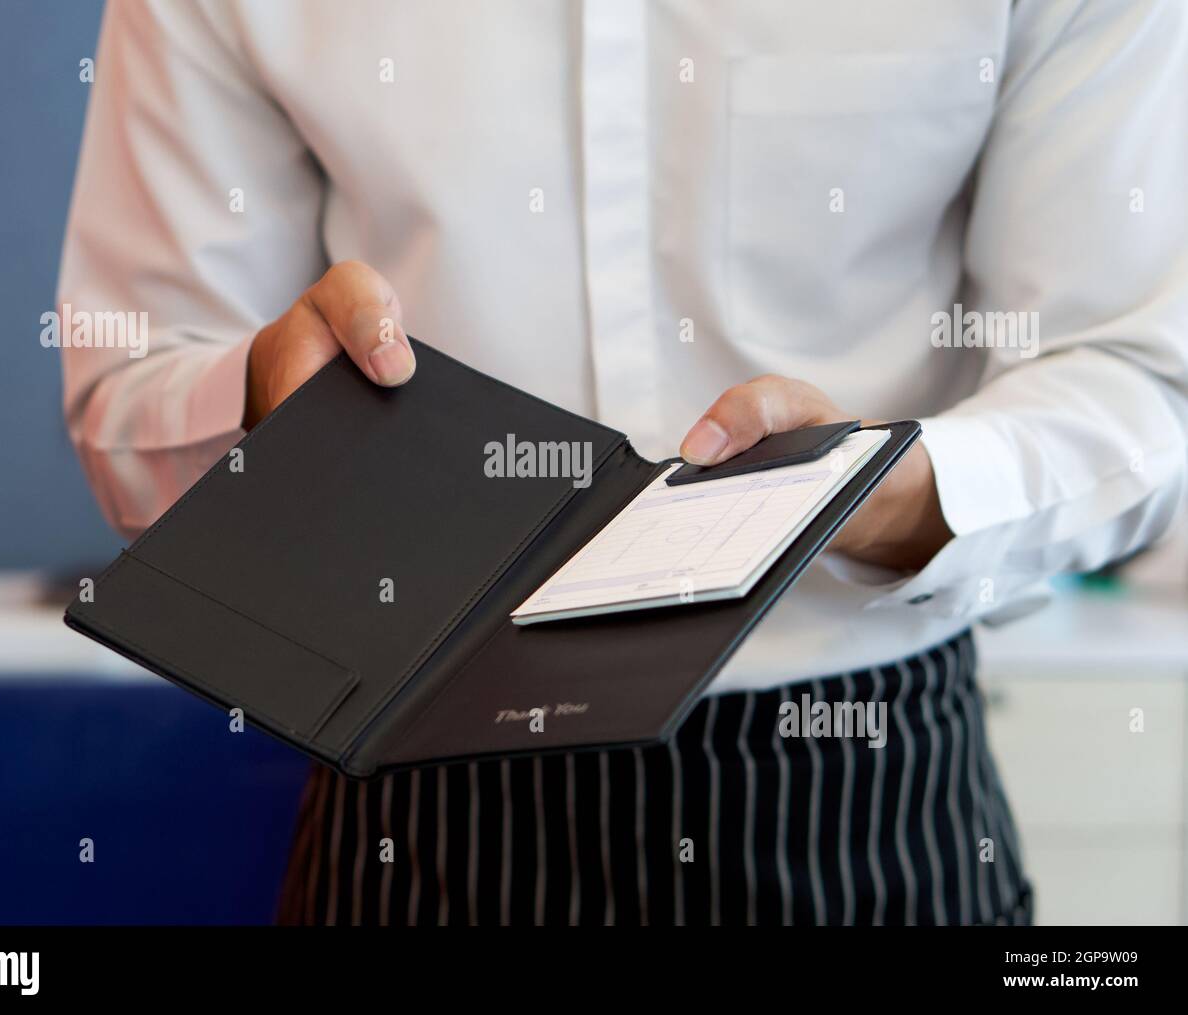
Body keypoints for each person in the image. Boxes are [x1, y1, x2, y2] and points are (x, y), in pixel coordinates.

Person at [58, 0, 1188, 925]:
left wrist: (900, 496)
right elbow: (129, 387)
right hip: (415, 795)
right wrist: (268, 408)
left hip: (863, 788)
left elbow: (1140, 373)